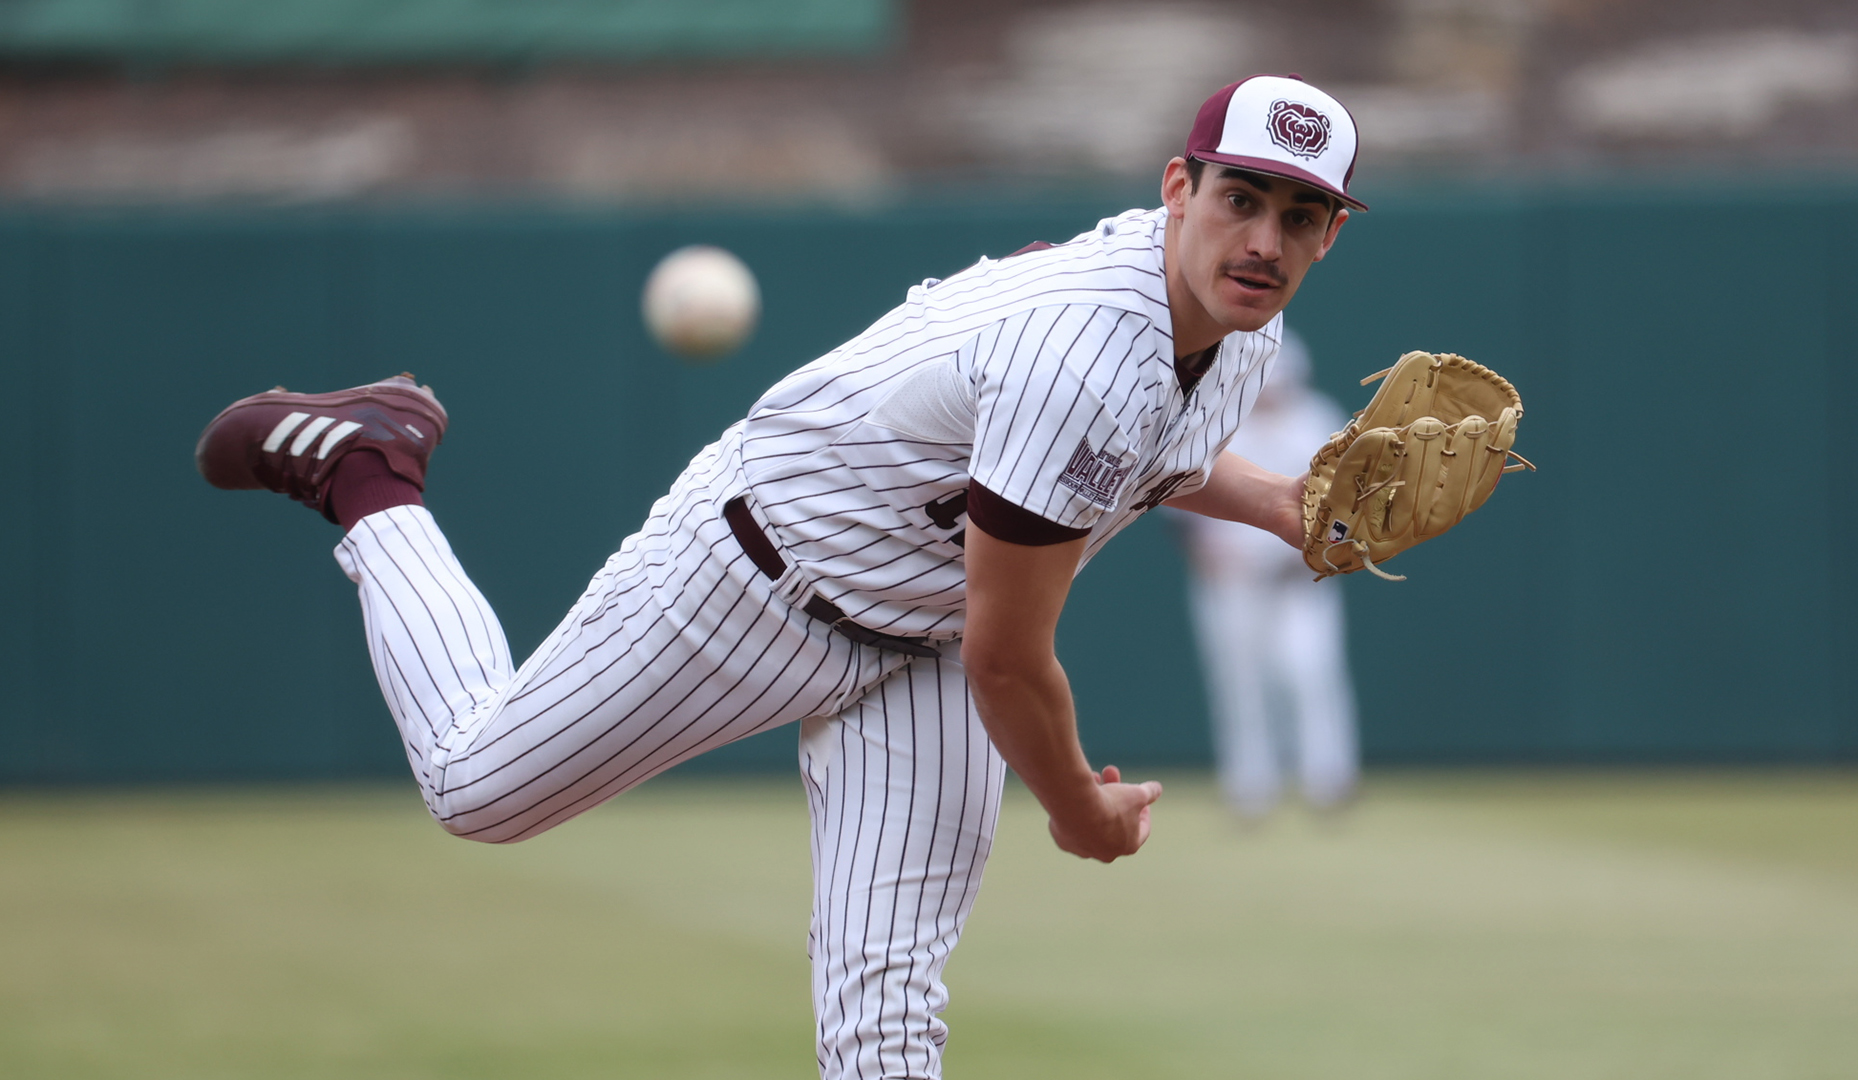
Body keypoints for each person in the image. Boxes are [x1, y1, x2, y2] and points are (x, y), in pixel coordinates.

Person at [195, 74, 1363, 1079]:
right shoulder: (1084, 347)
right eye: (1241, 198)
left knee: (887, 1015)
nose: (1263, 239)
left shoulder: (1234, 327)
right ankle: (370, 473)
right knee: (474, 788)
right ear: (1178, 187)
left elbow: (1146, 454)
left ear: (1331, 237)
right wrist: (1078, 809)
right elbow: (1012, 657)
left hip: (924, 641)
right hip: (759, 574)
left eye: (1298, 214)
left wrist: (1284, 505)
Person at [1172, 332, 1360, 819]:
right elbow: (1178, 504)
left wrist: (1316, 555)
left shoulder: (1316, 420)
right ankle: (1250, 787)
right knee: (1239, 684)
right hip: (1231, 581)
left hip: (1300, 580)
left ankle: (1328, 780)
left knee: (1310, 672)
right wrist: (1207, 554)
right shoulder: (1216, 417)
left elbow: (1345, 507)